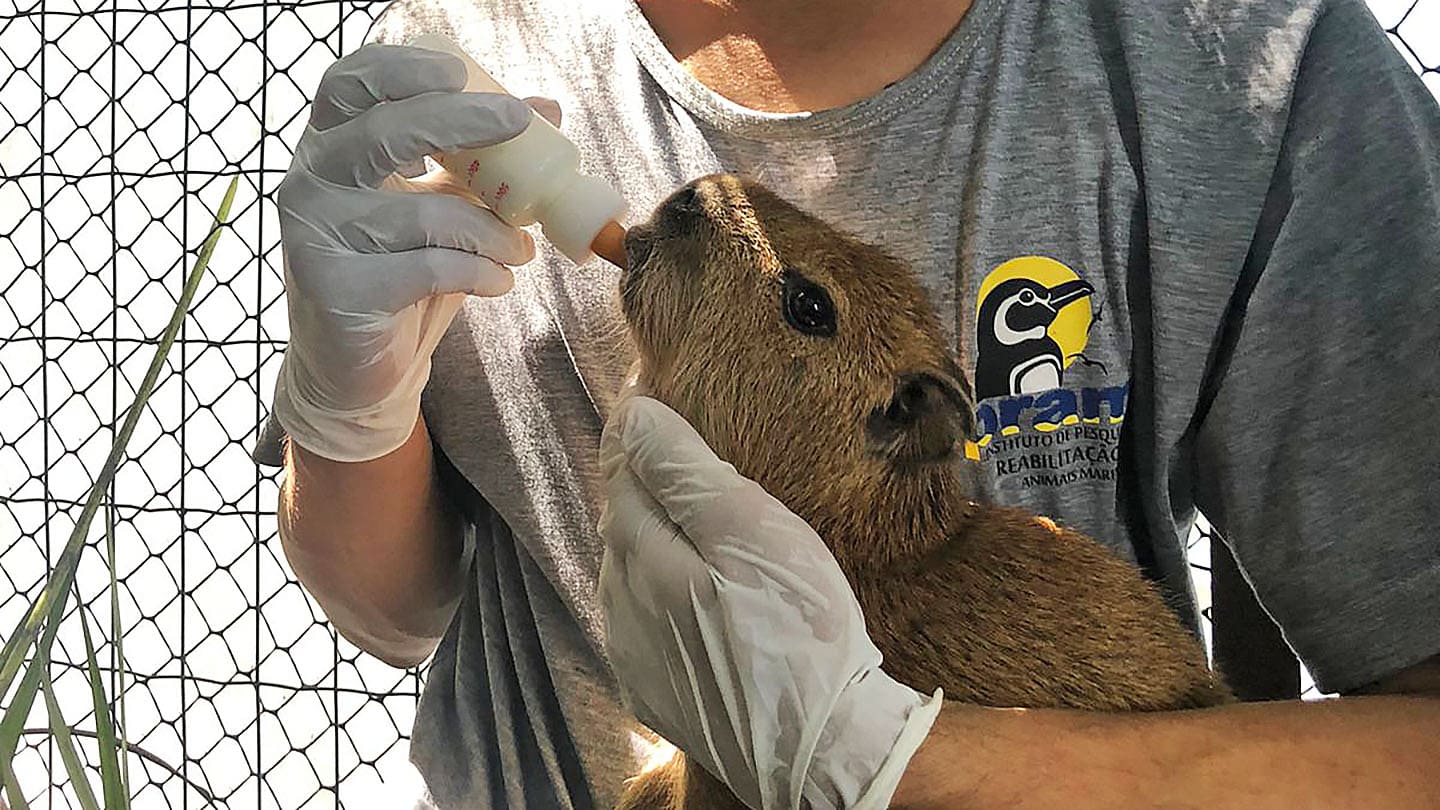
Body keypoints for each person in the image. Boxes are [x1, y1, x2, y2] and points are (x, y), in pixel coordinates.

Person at [254, 0, 1440, 806]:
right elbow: (401, 612)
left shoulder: (1231, 57)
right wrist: (344, 409)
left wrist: (894, 762)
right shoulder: (458, 68)